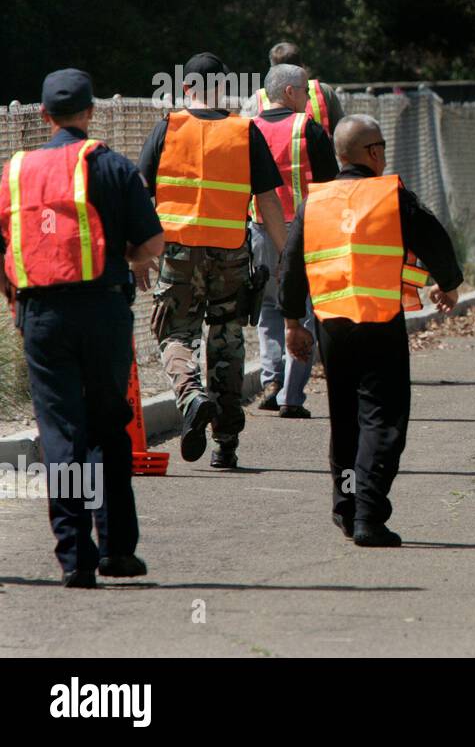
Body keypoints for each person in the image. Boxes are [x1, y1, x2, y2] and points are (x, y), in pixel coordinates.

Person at [0, 69, 164, 587]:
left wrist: (16, 299)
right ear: (91, 112)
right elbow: (152, 244)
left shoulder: (15, 171)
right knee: (107, 425)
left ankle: (75, 557)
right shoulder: (112, 166)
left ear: (43, 117)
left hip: (41, 316)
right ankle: (116, 549)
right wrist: (129, 257)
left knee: (61, 432)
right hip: (104, 311)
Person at [280, 114, 462, 546]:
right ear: (374, 152)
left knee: (344, 420)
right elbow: (433, 237)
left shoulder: (316, 200)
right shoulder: (390, 195)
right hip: (379, 323)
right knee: (383, 418)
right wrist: (449, 284)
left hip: (332, 326)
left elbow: (290, 265)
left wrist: (292, 322)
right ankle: (368, 514)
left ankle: (345, 507)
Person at [137, 52, 287, 468]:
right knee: (227, 339)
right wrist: (287, 254)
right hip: (231, 253)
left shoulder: (168, 128)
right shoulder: (245, 131)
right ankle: (227, 443)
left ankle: (190, 395)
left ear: (185, 89)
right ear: (222, 88)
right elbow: (269, 201)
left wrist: (136, 252)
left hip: (179, 252)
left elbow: (139, 194)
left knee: (174, 334)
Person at [249, 63, 339, 417]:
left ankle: (272, 379)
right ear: (289, 92)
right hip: (303, 234)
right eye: (303, 92)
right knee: (301, 310)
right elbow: (332, 185)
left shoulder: (248, 129)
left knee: (269, 308)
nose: (306, 99)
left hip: (258, 229)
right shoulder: (308, 129)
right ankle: (291, 395)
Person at [244, 41, 344, 134]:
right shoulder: (324, 92)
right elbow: (342, 133)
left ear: (272, 70)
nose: (307, 95)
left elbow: (244, 135)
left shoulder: (256, 100)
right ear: (301, 66)